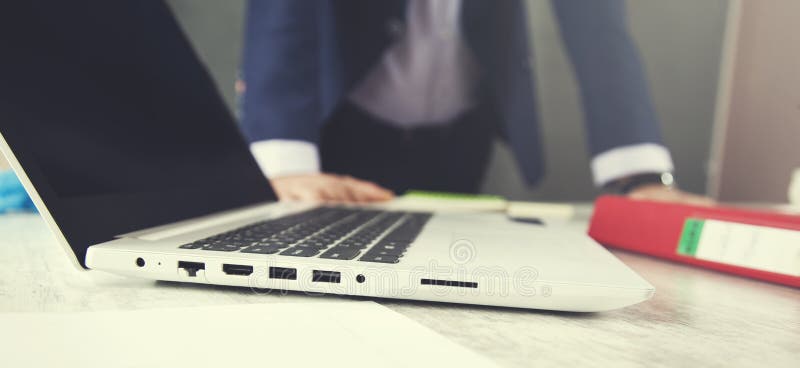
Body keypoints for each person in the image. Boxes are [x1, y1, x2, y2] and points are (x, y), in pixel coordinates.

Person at [239, 0, 709, 204]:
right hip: (341, 136)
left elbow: (596, 22)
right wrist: (285, 161)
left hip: (461, 136)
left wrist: (638, 176)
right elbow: (285, 12)